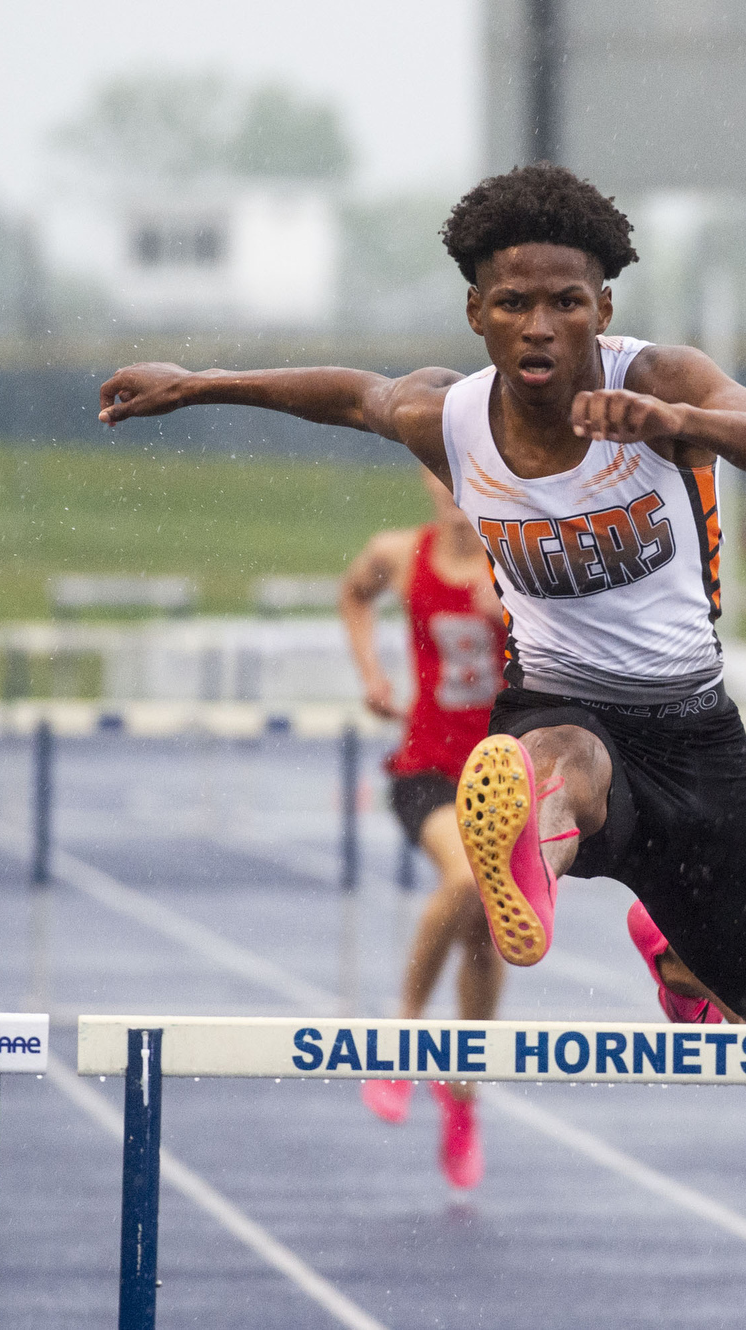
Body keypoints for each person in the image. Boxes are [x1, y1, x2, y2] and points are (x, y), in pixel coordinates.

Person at [99, 162, 746, 1144]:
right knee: (562, 761)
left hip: (697, 738)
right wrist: (198, 385)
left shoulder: (658, 378)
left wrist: (675, 425)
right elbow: (352, 396)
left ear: (603, 306)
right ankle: (535, 838)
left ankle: (678, 951)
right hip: (559, 710)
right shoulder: (453, 417)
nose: (540, 325)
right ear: (476, 312)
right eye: (512, 302)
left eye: (566, 301)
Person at [338, 468, 506, 1188]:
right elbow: (352, 595)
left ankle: (463, 1092)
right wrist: (372, 674)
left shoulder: (522, 563)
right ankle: (403, 1031)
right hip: (427, 767)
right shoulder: (400, 553)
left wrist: (517, 616)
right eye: (445, 478)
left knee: (490, 926)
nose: (456, 493)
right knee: (465, 881)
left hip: (502, 773)